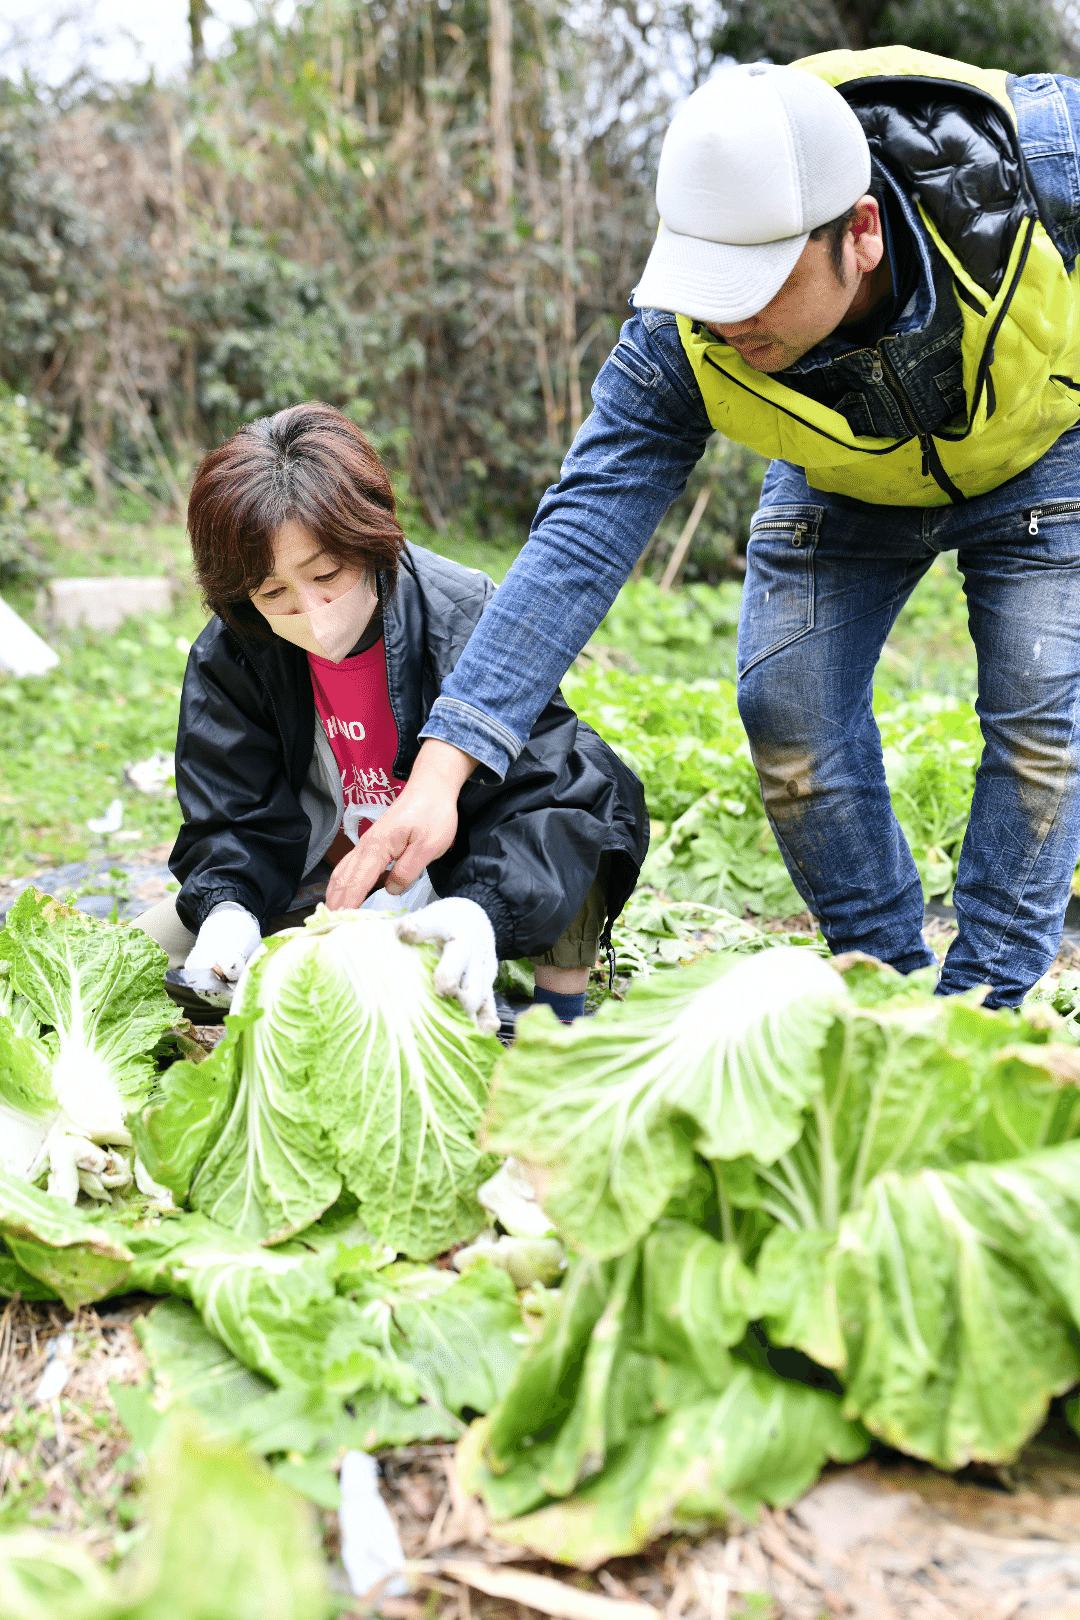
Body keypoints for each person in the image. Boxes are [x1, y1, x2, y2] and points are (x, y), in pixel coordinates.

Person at [334, 45, 1080, 1008]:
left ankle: (987, 1007)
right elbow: (580, 534)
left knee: (1038, 716)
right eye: (708, 285)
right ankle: (888, 990)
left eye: (756, 285)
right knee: (790, 711)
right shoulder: (688, 330)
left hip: (1036, 451)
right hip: (843, 471)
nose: (725, 322)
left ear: (858, 233)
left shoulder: (1044, 175)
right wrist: (440, 775)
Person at [132, 403, 647, 1031]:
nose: (311, 612)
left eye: (326, 574)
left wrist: (484, 909)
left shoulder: (464, 614)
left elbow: (547, 795)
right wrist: (229, 911)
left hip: (451, 874)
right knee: (140, 965)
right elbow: (232, 813)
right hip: (315, 880)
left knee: (593, 784)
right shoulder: (235, 648)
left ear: (370, 541)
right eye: (274, 593)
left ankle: (556, 1014)